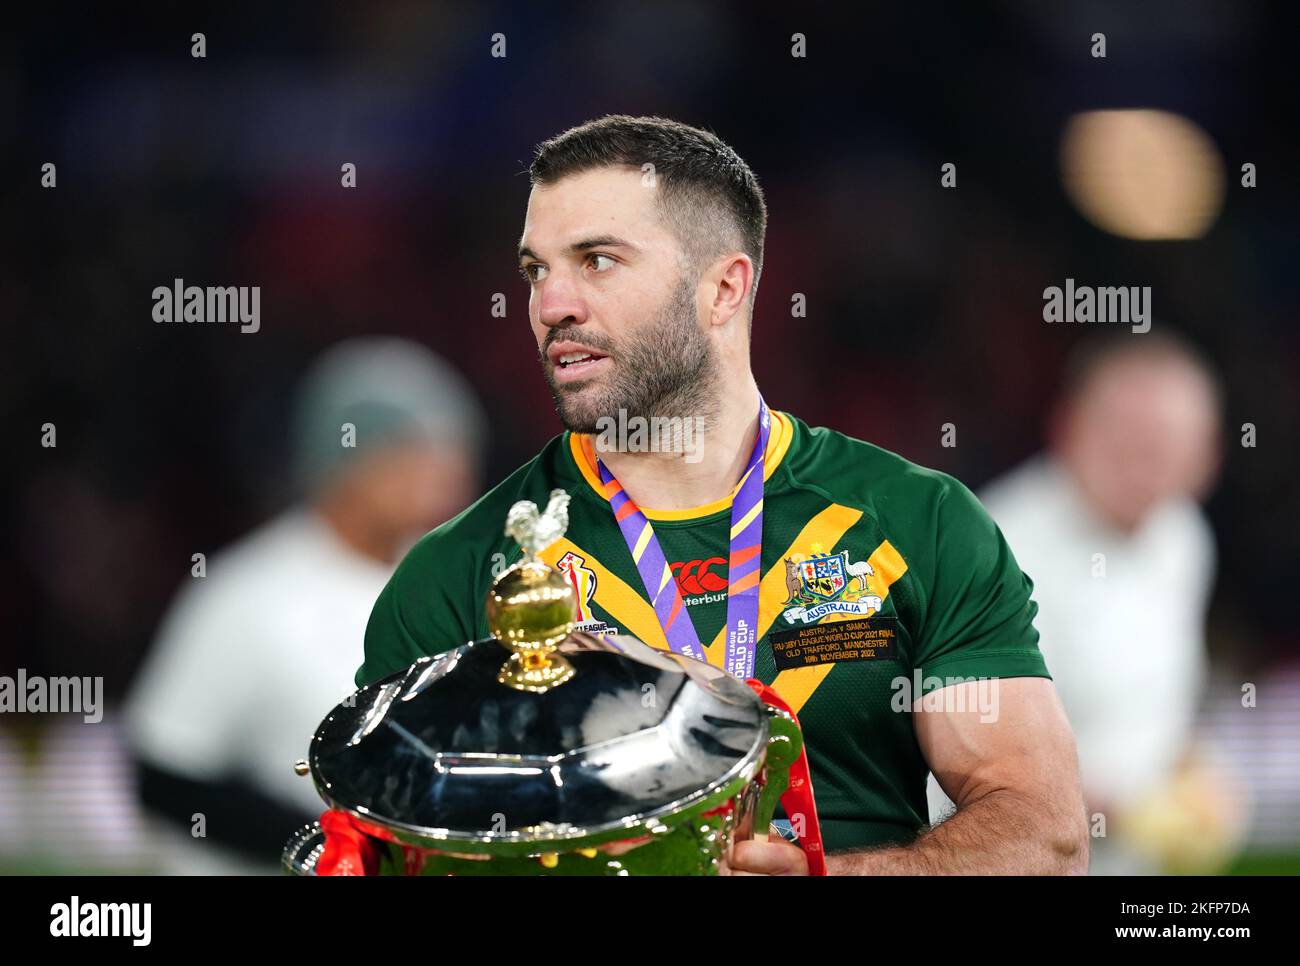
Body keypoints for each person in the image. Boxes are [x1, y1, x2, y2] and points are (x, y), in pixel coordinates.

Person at [358, 115, 1088, 875]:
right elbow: (387, 854)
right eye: (536, 270)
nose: (551, 305)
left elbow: (1046, 837)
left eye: (598, 261)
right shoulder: (464, 572)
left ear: (724, 288)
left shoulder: (916, 522)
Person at [125, 337, 484, 873]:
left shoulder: (446, 582)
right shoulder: (251, 592)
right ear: (348, 459)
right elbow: (163, 773)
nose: (448, 471)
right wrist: (324, 844)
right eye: (416, 450)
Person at [929, 333, 1244, 874]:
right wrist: (1127, 809)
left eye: (1166, 445)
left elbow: (1162, 704)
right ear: (1068, 427)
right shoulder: (995, 547)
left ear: (1206, 458)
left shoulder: (1183, 537)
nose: (1143, 464)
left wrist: (1197, 778)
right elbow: (966, 764)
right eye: (1126, 438)